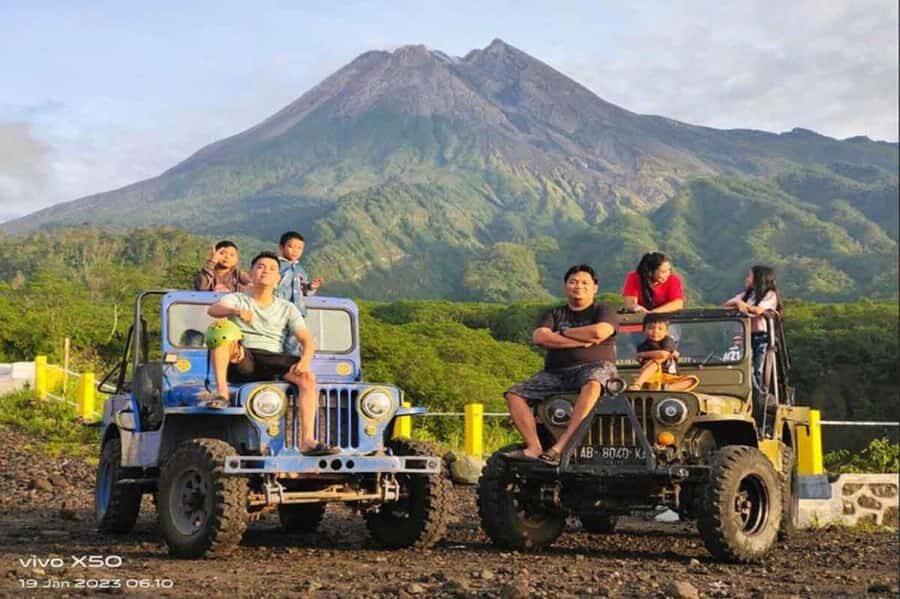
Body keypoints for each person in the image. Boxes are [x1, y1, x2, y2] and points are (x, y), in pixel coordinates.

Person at [205, 251, 337, 456]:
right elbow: (213, 309)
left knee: (308, 379)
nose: (265, 270)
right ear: (250, 273)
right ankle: (222, 393)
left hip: (273, 358)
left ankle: (308, 440)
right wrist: (236, 312)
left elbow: (307, 341)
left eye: (272, 268)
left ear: (278, 279)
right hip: (244, 357)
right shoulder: (237, 299)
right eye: (260, 266)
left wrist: (305, 361)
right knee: (221, 331)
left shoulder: (288, 308)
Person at [503, 264, 619, 466]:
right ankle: (534, 447)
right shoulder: (555, 314)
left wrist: (561, 334)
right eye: (573, 282)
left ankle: (561, 446)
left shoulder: (603, 310)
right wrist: (581, 339)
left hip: (595, 367)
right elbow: (540, 337)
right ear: (566, 286)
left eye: (585, 282)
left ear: (595, 287)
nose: (578, 286)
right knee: (514, 394)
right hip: (557, 372)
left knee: (593, 383)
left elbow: (600, 332)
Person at [722, 265, 782, 400]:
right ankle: (751, 393)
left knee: (757, 368)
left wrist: (745, 306)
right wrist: (738, 302)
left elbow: (760, 310)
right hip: (746, 335)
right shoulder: (747, 294)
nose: (747, 278)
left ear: (759, 278)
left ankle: (757, 395)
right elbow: (726, 304)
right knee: (746, 366)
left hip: (761, 336)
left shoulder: (770, 295)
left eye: (749, 276)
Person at [627, 313, 698, 392]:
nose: (655, 331)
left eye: (660, 329)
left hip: (670, 377)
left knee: (693, 380)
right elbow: (644, 363)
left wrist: (642, 354)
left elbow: (663, 354)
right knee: (653, 364)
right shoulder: (643, 346)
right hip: (653, 377)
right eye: (651, 328)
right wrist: (656, 360)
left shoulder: (667, 341)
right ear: (644, 330)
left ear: (666, 331)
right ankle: (637, 385)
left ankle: (666, 389)